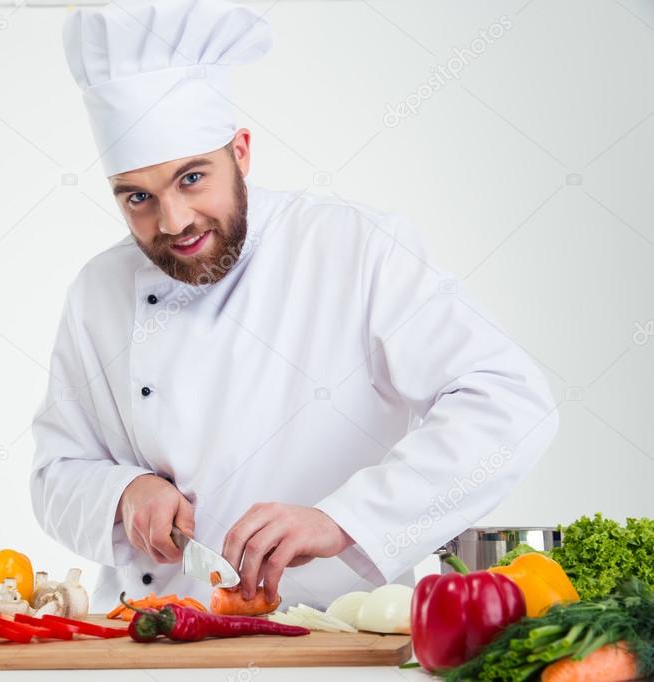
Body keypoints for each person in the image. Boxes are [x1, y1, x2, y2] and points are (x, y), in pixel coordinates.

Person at [29, 0, 558, 611]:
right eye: (138, 197)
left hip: (328, 642)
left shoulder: (355, 248)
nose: (173, 221)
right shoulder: (98, 290)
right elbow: (55, 474)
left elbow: (509, 402)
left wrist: (345, 520)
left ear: (242, 152)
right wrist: (123, 492)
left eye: (192, 178)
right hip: (146, 636)